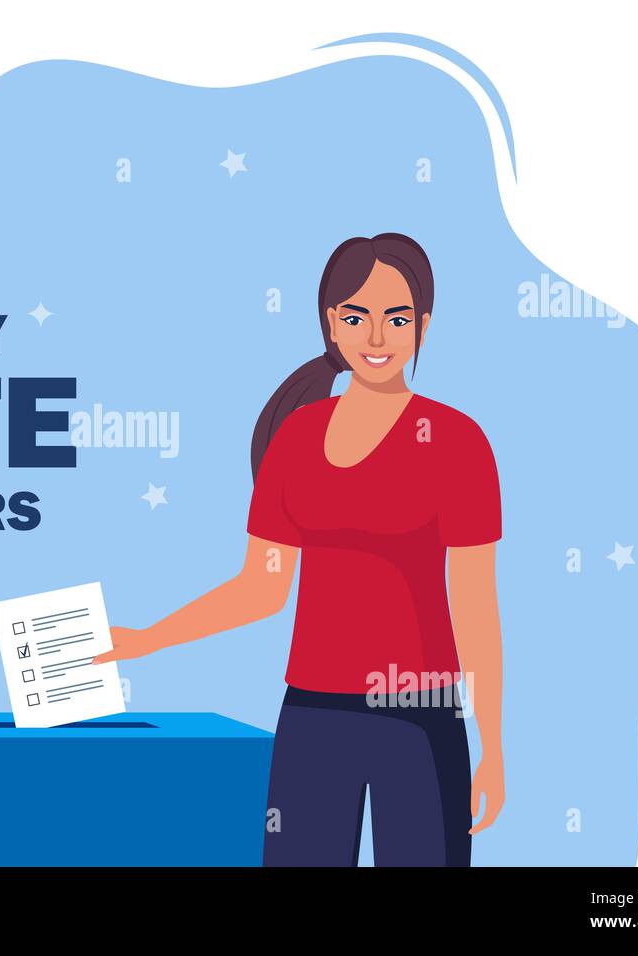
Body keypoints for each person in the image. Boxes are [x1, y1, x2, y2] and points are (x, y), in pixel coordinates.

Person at [93, 233, 505, 866]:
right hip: (315, 716)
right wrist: (146, 639)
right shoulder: (297, 438)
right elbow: (261, 586)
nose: (376, 337)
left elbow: (474, 603)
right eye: (356, 316)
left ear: (424, 325)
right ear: (330, 325)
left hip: (421, 713)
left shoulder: (457, 442)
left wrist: (493, 743)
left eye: (396, 318)